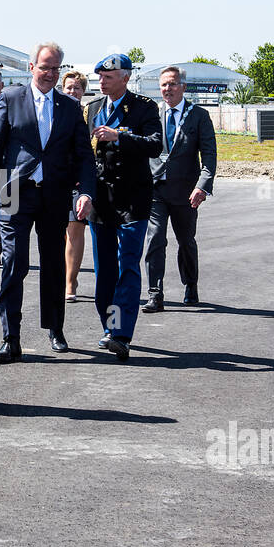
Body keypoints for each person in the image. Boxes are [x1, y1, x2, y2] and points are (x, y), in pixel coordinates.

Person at [0, 41, 95, 360]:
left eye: (55, 68)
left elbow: (84, 156)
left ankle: (55, 328)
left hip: (54, 195)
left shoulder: (69, 106)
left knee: (52, 265)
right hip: (15, 195)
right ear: (31, 67)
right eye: (45, 67)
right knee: (15, 263)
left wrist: (87, 191)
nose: (50, 73)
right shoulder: (10, 98)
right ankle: (11, 336)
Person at [84, 54, 162, 360]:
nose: (102, 81)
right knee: (105, 269)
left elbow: (155, 143)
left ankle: (120, 333)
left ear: (125, 77)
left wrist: (120, 137)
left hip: (132, 200)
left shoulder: (144, 107)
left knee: (128, 265)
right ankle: (109, 326)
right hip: (101, 201)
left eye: (108, 76)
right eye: (100, 76)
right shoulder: (91, 109)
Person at [143, 66, 216, 310]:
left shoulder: (199, 116)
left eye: (172, 84)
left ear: (183, 87)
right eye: (164, 84)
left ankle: (191, 283)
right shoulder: (152, 114)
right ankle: (155, 292)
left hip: (186, 193)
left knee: (186, 241)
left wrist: (202, 187)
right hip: (155, 190)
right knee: (155, 240)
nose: (167, 89)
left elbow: (209, 155)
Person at [60, 69, 90, 301]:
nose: (72, 91)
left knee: (74, 228)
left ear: (83, 91)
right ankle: (66, 274)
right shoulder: (56, 112)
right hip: (58, 179)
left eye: (77, 88)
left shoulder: (90, 115)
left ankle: (70, 283)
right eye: (69, 87)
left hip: (80, 182)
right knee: (60, 232)